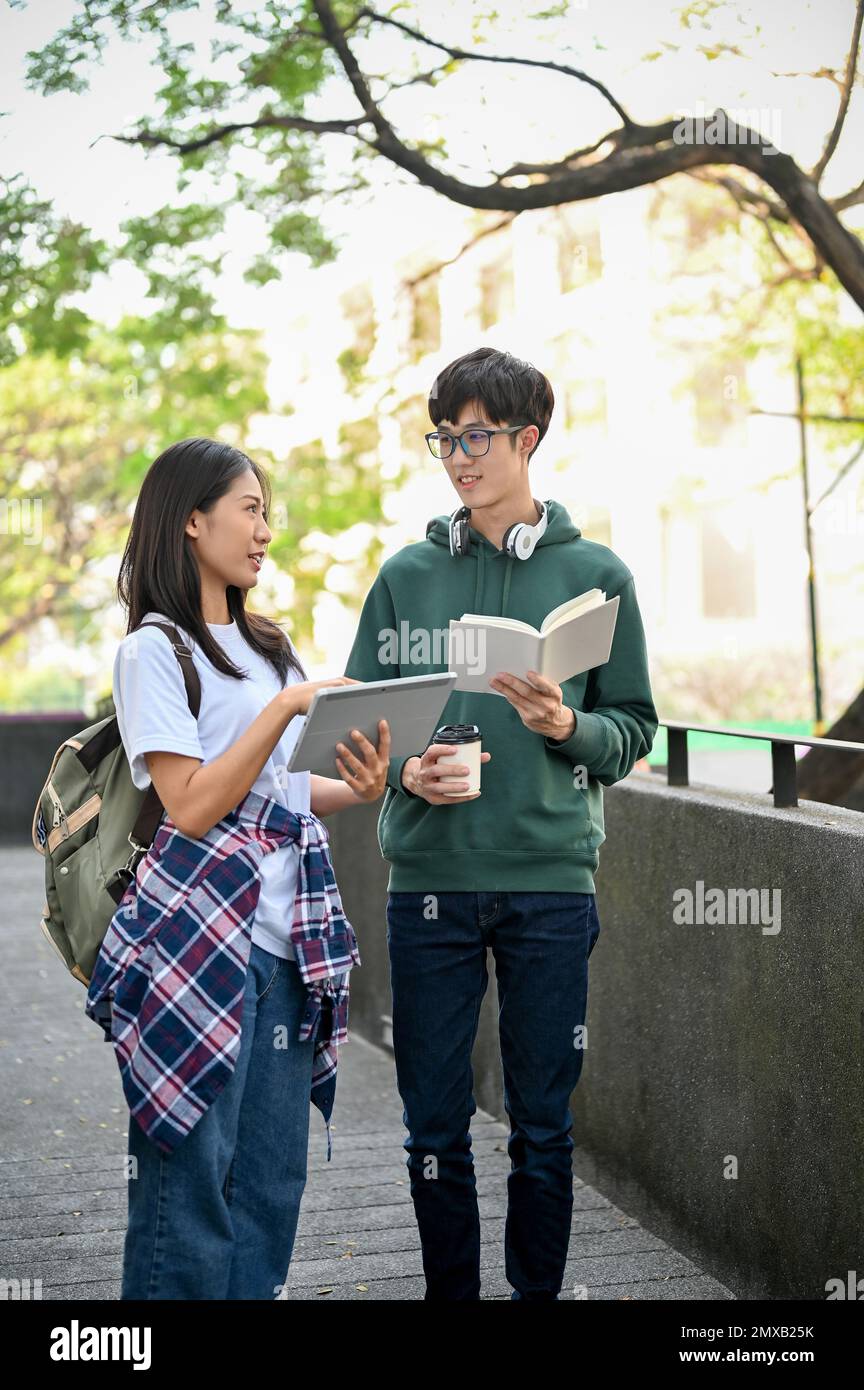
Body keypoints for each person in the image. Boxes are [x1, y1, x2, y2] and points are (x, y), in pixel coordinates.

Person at [344, 346, 658, 1300]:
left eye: (476, 435)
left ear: (527, 439)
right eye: (445, 437)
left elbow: (635, 727)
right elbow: (353, 731)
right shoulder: (405, 574)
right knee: (432, 1127)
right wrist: (407, 772)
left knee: (543, 1125)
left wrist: (567, 724)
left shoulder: (599, 572)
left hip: (550, 884)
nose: (457, 456)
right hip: (428, 884)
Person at [93, 436, 390, 1300]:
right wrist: (287, 706)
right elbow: (189, 802)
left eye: (268, 513)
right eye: (249, 509)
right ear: (192, 519)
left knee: (269, 1187)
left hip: (291, 948)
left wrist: (371, 782)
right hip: (197, 946)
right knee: (186, 1186)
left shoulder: (269, 645)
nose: (265, 531)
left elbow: (288, 791)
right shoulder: (155, 652)